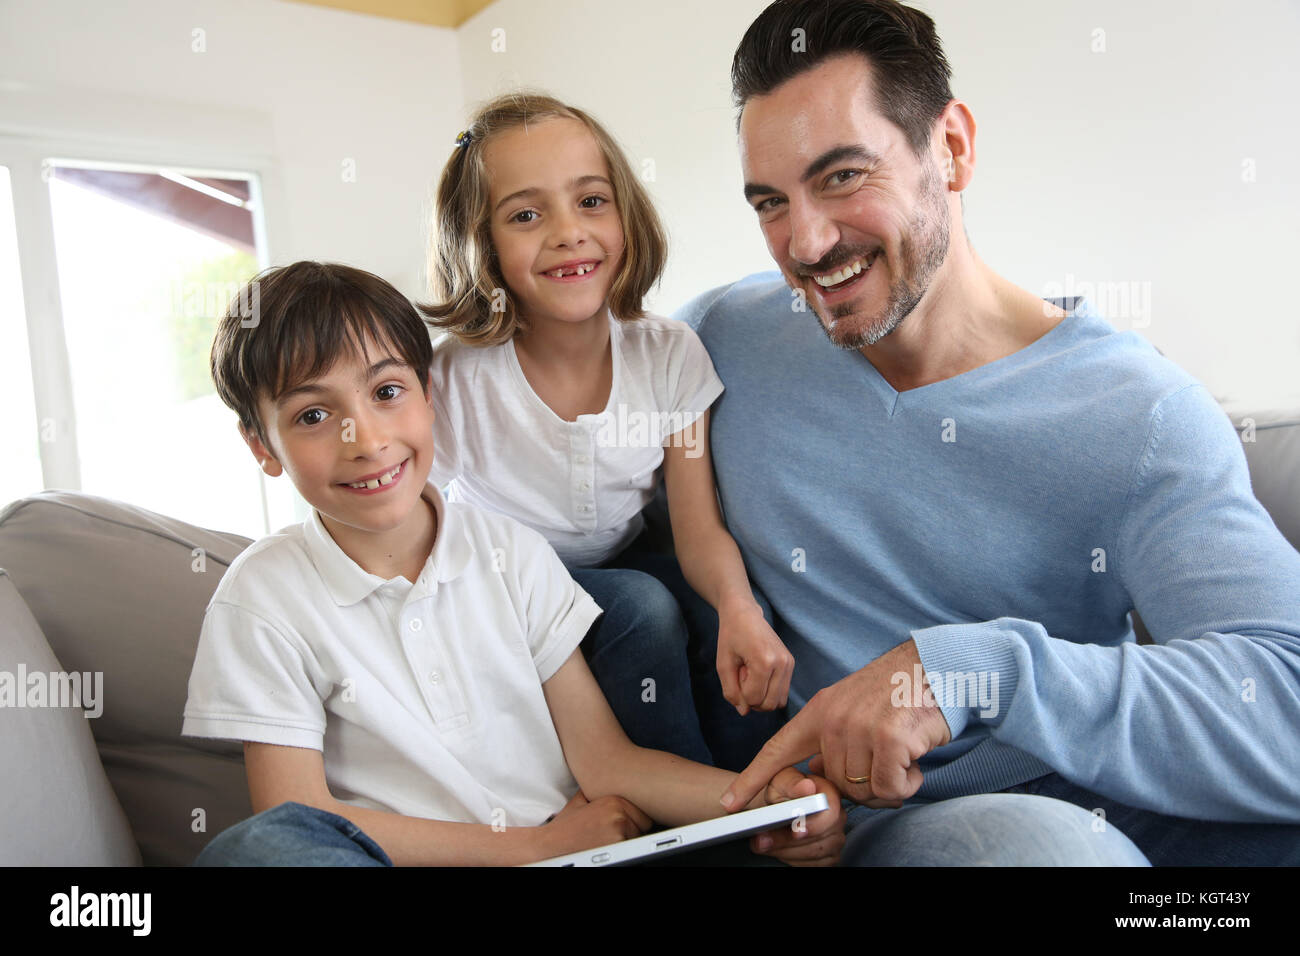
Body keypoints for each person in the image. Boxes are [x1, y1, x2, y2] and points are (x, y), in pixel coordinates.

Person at [691, 0, 1300, 865]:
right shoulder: (721, 343)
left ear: (953, 148)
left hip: (1123, 801)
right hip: (914, 826)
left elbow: (1283, 696)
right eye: (769, 202)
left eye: (841, 177)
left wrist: (978, 671)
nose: (806, 243)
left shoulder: (1138, 413)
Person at [181, 260, 843, 866]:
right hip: (478, 854)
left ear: (428, 394)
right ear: (261, 446)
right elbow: (295, 820)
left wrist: (768, 798)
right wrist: (535, 845)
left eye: (387, 393)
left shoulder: (510, 554)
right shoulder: (263, 596)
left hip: (570, 857)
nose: (367, 440)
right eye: (314, 414)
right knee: (252, 850)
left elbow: (610, 766)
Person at [417, 93, 788, 772]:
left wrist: (739, 609)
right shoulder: (457, 378)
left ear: (624, 212)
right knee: (643, 610)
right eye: (526, 215)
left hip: (624, 558)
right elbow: (423, 530)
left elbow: (698, 531)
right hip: (508, 587)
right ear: (483, 243)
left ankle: (764, 795)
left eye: (591, 201)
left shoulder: (670, 353)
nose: (568, 232)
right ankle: (691, 825)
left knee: (731, 609)